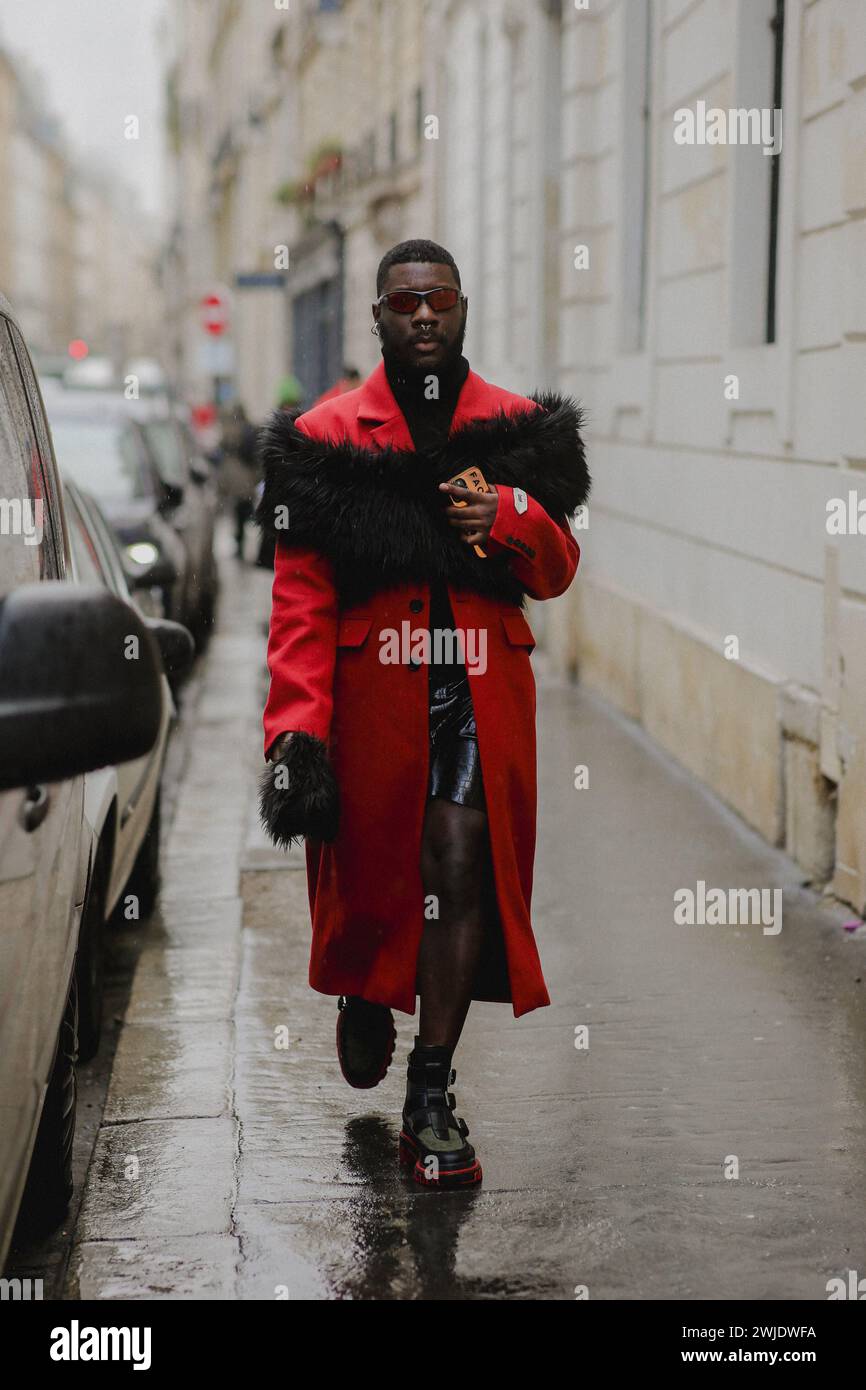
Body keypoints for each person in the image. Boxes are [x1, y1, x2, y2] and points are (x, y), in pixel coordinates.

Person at [257, 238, 589, 1189]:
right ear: (377, 319)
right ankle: (366, 994)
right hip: (373, 697)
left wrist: (512, 519)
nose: (424, 315)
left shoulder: (519, 432)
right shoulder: (326, 441)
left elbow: (558, 570)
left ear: (463, 307)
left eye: (439, 298)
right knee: (374, 868)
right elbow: (301, 606)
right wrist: (296, 731)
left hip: (479, 692)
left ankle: (431, 1090)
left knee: (458, 858)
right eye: (404, 303)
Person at [216, 403, 260, 559]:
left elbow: (220, 450)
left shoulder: (232, 431)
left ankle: (240, 542)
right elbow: (254, 455)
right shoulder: (249, 430)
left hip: (236, 479)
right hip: (246, 478)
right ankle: (241, 541)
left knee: (240, 510)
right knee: (244, 509)